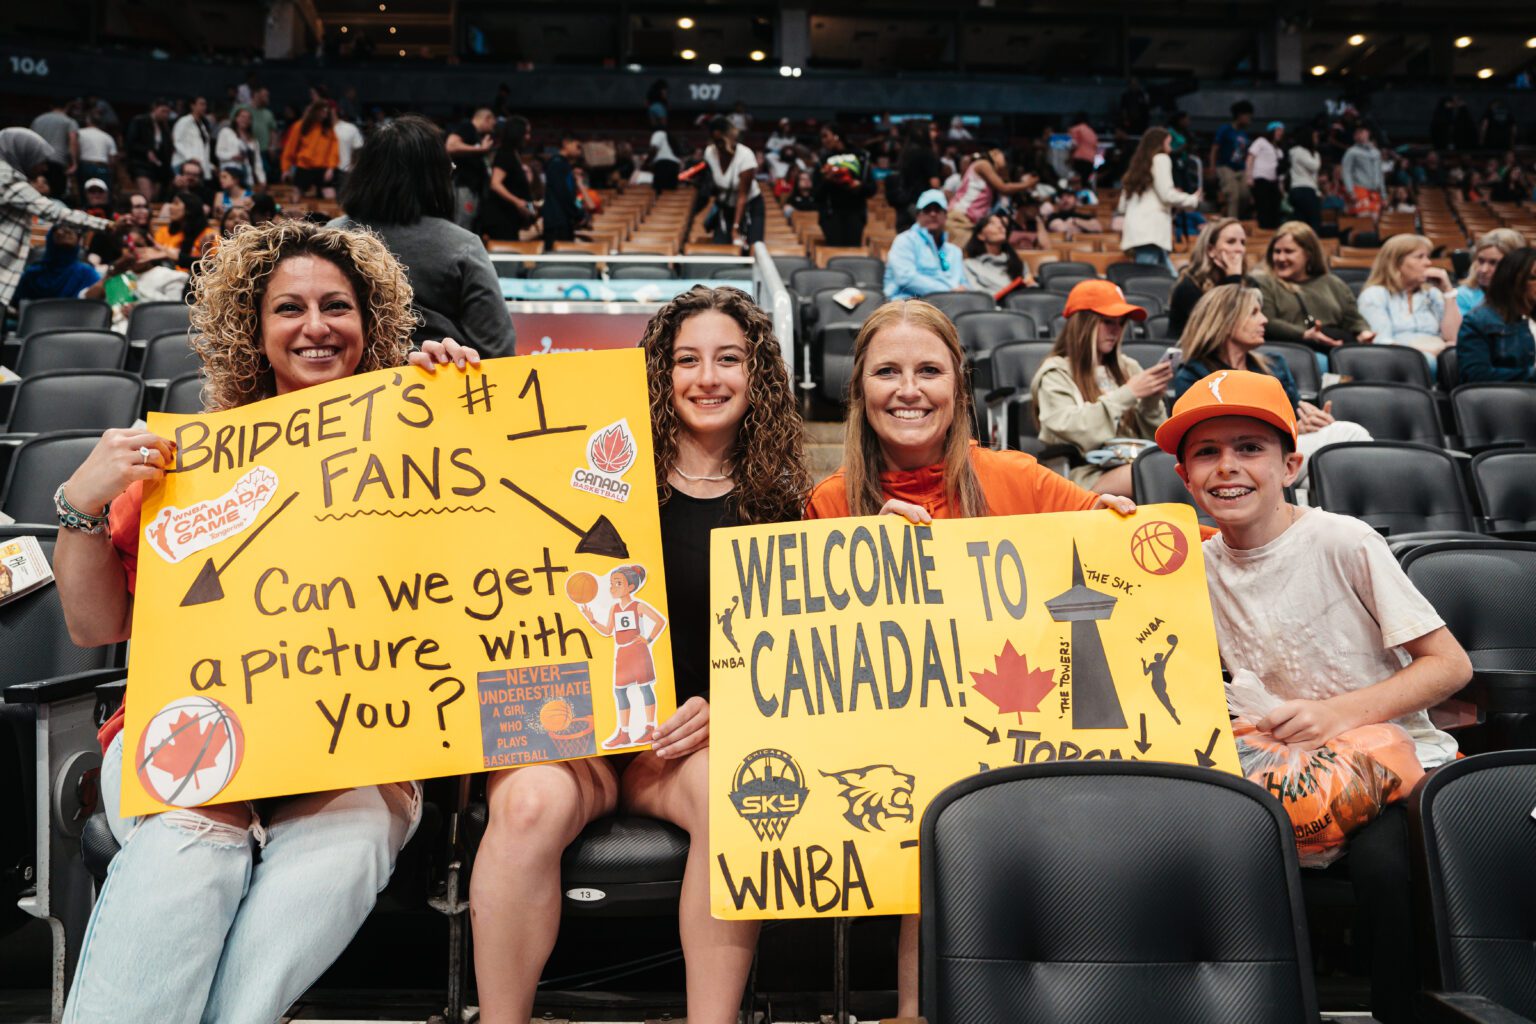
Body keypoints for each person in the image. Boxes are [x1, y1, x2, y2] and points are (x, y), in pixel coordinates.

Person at [54, 219, 480, 1024]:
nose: (316, 326)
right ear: (254, 329)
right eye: (289, 308)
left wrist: (462, 406)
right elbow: (94, 625)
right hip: (188, 730)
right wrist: (81, 502)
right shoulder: (189, 465)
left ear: (371, 324)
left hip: (358, 744)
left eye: (337, 306)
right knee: (195, 829)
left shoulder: (428, 438)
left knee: (348, 842)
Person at [471, 285, 807, 1024]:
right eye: (687, 360)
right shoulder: (587, 475)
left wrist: (730, 710)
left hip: (679, 748)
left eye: (729, 359)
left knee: (735, 792)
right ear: (660, 373)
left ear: (760, 377)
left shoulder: (786, 507)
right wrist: (453, 372)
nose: (707, 378)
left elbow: (795, 655)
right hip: (572, 734)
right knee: (526, 804)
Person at [803, 298, 1135, 1017]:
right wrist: (860, 564)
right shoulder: (829, 506)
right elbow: (814, 673)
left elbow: (1126, 565)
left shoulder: (1018, 480)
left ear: (959, 382)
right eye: (887, 372)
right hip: (891, 751)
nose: (908, 390)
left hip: (1024, 740)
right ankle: (913, 1012)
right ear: (860, 387)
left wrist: (1123, 533)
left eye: (928, 370)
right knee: (934, 802)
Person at [1158, 369, 1471, 1024]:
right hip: (1276, 770)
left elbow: (1448, 666)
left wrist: (1335, 714)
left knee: (1386, 866)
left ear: (1291, 463)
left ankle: (1401, 1010)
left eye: (1249, 448)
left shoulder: (1343, 540)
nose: (1227, 468)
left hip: (1391, 764)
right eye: (1206, 454)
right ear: (1185, 478)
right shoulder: (1193, 565)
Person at [333, 114, 515, 358]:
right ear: (435, 178)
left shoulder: (329, 237)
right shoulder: (462, 246)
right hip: (439, 388)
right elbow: (498, 350)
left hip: (342, 390)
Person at [1174, 284, 1372, 477]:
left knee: (1335, 451)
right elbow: (1205, 438)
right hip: (1235, 458)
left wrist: (1313, 422)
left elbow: (1294, 418)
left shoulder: (1274, 365)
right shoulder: (1194, 374)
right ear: (1226, 321)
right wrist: (1291, 430)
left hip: (1281, 452)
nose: (1264, 320)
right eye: (1253, 313)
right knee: (1349, 433)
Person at [1031, 280, 1170, 495]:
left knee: (1170, 467)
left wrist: (1150, 403)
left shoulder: (1128, 366)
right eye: (1108, 322)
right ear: (1083, 324)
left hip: (1134, 462)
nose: (1116, 331)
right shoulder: (1056, 372)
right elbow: (1066, 426)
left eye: (1121, 323)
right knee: (1150, 473)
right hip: (1084, 474)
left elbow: (1159, 440)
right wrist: (1128, 394)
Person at [0, 128, 113, 308]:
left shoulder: (84, 272)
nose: (44, 168)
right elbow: (55, 213)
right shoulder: (5, 177)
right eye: (41, 160)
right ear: (25, 155)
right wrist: (109, 226)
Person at [1253, 220, 1374, 352]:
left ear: (1308, 254)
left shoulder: (1332, 283)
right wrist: (1304, 334)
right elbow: (1268, 322)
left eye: (1289, 251)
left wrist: (1363, 332)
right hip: (1295, 349)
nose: (1281, 258)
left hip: (1336, 347)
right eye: (1277, 251)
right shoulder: (1263, 282)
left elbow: (1353, 318)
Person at [1357, 234, 1461, 361]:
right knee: (1428, 360)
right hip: (1398, 359)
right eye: (1420, 257)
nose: (1428, 263)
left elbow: (1454, 338)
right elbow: (1382, 342)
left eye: (1428, 257)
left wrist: (1448, 292)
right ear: (1396, 263)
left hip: (1439, 355)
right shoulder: (1375, 294)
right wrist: (1430, 352)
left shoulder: (1432, 293)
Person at [1119, 127, 1200, 274]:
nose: (1170, 149)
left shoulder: (1137, 167)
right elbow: (1167, 195)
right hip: (1152, 232)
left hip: (1138, 232)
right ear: (1159, 144)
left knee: (1168, 278)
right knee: (1148, 279)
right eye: (1168, 144)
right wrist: (1192, 199)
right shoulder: (1161, 159)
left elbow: (1122, 206)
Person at [1456, 246, 1536, 382]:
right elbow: (1476, 375)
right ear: (1513, 281)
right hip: (1511, 399)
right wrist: (1531, 375)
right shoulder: (1479, 321)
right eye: (1533, 278)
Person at [1169, 218, 1251, 335]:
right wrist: (1233, 279)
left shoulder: (1249, 283)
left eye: (1243, 243)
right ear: (1210, 250)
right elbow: (1221, 331)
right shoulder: (1189, 287)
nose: (1240, 249)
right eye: (1231, 242)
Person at [884, 189, 967, 300]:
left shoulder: (954, 251)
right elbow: (905, 278)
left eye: (938, 210)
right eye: (927, 210)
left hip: (948, 305)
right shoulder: (904, 240)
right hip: (907, 305)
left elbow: (963, 283)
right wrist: (948, 292)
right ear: (918, 216)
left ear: (945, 216)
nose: (933, 214)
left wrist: (963, 291)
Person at [945, 146, 1034, 248]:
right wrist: (1028, 184)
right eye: (1002, 155)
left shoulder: (994, 173)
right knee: (960, 256)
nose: (1005, 159)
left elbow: (1006, 188)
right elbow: (1004, 188)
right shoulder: (983, 164)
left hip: (970, 221)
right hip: (960, 219)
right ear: (994, 154)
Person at [703, 117, 762, 250]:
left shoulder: (746, 156)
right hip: (726, 206)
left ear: (731, 137)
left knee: (752, 247)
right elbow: (711, 184)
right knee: (721, 247)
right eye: (716, 141)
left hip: (750, 205)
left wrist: (735, 229)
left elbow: (742, 196)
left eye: (722, 141)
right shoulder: (709, 152)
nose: (720, 145)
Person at [813, 122, 876, 247]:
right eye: (821, 137)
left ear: (836, 136)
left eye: (826, 136)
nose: (823, 140)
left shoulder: (862, 156)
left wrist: (858, 186)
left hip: (855, 214)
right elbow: (816, 194)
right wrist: (827, 180)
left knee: (853, 253)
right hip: (831, 216)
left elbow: (872, 188)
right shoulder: (822, 161)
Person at [482, 115, 537, 240]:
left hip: (510, 219)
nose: (528, 137)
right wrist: (517, 202)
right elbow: (495, 184)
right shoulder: (505, 154)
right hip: (501, 218)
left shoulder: (514, 154)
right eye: (526, 133)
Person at [15, 224, 101, 302]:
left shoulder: (87, 274)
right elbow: (17, 305)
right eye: (61, 228)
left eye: (73, 229)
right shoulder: (32, 274)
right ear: (51, 237)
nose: (67, 231)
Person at [446, 107, 497, 230]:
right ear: (487, 119)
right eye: (492, 124)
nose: (493, 129)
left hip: (472, 189)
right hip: (463, 186)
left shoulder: (476, 134)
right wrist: (481, 149)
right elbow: (450, 145)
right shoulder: (467, 127)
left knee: (468, 224)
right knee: (462, 225)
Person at [1456, 228, 1525, 316]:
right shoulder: (1463, 295)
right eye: (1480, 261)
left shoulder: (1527, 293)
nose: (1483, 270)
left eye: (1494, 263)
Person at [962, 214, 1034, 295]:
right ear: (981, 235)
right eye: (992, 223)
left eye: (1002, 224)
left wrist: (1031, 285)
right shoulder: (970, 265)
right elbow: (976, 295)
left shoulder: (1019, 264)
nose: (1000, 226)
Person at [281, 101, 340, 199]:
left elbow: (333, 151)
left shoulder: (328, 129)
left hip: (323, 169)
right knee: (297, 198)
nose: (325, 115)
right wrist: (285, 169)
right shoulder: (300, 126)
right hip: (304, 167)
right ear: (315, 111)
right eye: (322, 111)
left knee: (330, 197)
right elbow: (289, 149)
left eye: (326, 112)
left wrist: (331, 168)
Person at [153, 191, 217, 272]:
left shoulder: (209, 234)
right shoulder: (163, 231)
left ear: (189, 208)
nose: (170, 207)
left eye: (176, 203)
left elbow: (215, 265)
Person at [540, 132, 585, 249]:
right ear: (566, 143)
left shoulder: (563, 164)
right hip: (557, 222)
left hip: (563, 220)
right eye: (577, 146)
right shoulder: (557, 164)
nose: (579, 151)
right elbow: (564, 194)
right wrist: (578, 213)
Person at [1210, 100, 1253, 220]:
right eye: (1248, 116)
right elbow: (1215, 148)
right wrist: (1213, 167)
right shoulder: (1225, 129)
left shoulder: (1244, 134)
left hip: (1240, 168)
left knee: (1245, 195)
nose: (1250, 119)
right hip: (1225, 166)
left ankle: (1230, 216)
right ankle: (1232, 223)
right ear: (1240, 116)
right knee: (1233, 195)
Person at [125, 99, 175, 200]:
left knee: (155, 197)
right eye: (163, 111)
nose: (165, 115)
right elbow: (130, 142)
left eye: (167, 112)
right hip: (141, 164)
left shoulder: (165, 126)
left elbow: (167, 148)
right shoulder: (139, 121)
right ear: (155, 109)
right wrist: (146, 151)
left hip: (158, 167)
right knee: (147, 196)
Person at [216, 106, 267, 192]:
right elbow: (219, 153)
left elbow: (257, 162)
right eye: (242, 117)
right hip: (230, 175)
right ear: (236, 118)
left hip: (247, 176)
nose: (245, 120)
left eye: (248, 118)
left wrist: (262, 179)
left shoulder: (253, 141)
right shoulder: (226, 132)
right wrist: (232, 156)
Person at [1342, 125, 1386, 220]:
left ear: (1368, 133)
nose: (1359, 135)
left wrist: (1383, 195)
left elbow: (1380, 174)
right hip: (1359, 190)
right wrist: (1350, 191)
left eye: (1362, 132)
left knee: (1375, 221)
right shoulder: (1351, 152)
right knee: (1364, 220)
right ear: (1354, 136)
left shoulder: (1376, 153)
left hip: (1375, 192)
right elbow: (1346, 172)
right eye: (1357, 133)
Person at [1246, 122, 1285, 229]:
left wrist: (1281, 187)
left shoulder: (1279, 151)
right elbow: (1250, 158)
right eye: (1278, 130)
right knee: (1263, 208)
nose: (1280, 133)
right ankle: (1263, 232)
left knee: (1275, 209)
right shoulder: (1261, 142)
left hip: (1273, 182)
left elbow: (1279, 171)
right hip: (1260, 179)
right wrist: (1249, 176)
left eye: (1282, 131)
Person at [77, 114, 117, 199]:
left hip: (84, 166)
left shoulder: (79, 133)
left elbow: (73, 149)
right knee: (104, 194)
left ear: (88, 121)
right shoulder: (107, 136)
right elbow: (112, 159)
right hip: (102, 167)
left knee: (85, 194)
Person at [172, 96, 214, 172]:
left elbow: (203, 148)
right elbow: (176, 141)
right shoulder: (184, 121)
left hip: (199, 166)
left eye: (205, 105)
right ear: (192, 106)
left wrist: (209, 165)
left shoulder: (203, 125)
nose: (204, 107)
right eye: (201, 104)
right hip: (183, 163)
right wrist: (190, 157)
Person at [646, 116, 682, 193]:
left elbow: (653, 148)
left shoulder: (659, 133)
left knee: (658, 192)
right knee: (670, 193)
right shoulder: (669, 136)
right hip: (674, 166)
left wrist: (647, 162)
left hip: (664, 165)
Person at [1067, 112, 1099, 183]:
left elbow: (1073, 145)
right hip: (1090, 161)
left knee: (1076, 182)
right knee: (1084, 182)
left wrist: (1069, 157)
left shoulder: (1075, 129)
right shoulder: (1092, 132)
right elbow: (1095, 147)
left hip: (1079, 159)